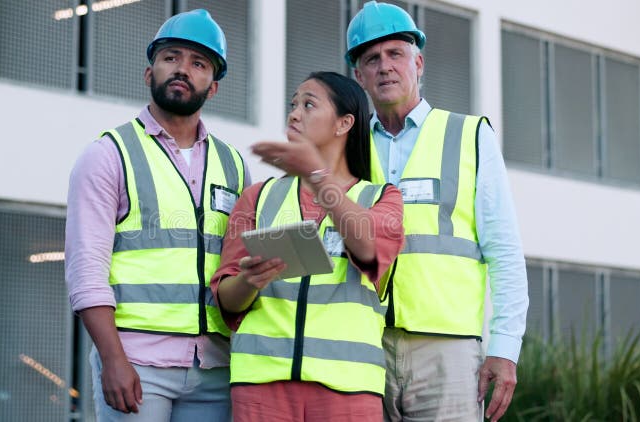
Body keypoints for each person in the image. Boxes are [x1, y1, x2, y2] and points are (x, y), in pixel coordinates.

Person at [344, 2, 529, 421]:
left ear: (419, 62)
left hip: (447, 351)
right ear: (359, 76)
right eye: (372, 59)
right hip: (361, 342)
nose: (385, 67)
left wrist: (504, 348)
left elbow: (504, 251)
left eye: (396, 54)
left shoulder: (470, 135)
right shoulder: (347, 146)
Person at [65, 9, 250, 421]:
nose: (183, 69)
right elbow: (86, 271)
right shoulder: (109, 154)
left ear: (213, 87)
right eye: (171, 57)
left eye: (198, 63)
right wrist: (112, 359)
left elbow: (237, 266)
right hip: (137, 364)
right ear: (149, 73)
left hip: (215, 366)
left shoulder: (233, 165)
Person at [211, 71, 405, 422]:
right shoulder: (258, 197)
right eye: (293, 104)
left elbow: (368, 248)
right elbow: (226, 298)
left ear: (344, 123)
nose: (294, 114)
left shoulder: (381, 197)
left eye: (308, 104)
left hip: (348, 390)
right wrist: (248, 281)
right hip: (260, 387)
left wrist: (318, 177)